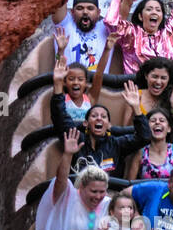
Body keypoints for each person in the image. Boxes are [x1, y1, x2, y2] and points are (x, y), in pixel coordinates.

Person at [49, 37, 151, 175]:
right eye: (94, 116)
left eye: (103, 117)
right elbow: (59, 115)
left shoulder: (116, 144)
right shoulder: (76, 138)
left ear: (109, 124)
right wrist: (58, 83)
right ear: (85, 123)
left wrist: (136, 108)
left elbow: (144, 137)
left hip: (109, 194)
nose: (99, 119)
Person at [36, 128, 112, 230]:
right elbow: (61, 179)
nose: (98, 196)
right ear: (81, 187)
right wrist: (68, 155)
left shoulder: (108, 204)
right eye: (94, 191)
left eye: (102, 191)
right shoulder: (68, 198)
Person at [52, 0, 113, 73]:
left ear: (98, 12)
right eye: (80, 8)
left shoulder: (107, 28)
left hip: (99, 83)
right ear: (72, 12)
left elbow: (126, 4)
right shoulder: (65, 25)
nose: (85, 12)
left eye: (90, 8)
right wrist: (60, 51)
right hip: (68, 81)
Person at [117, 57, 173, 129]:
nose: (158, 82)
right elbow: (126, 131)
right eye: (154, 77)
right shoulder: (135, 96)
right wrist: (135, 108)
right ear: (146, 76)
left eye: (163, 78)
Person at [52, 47, 104, 125]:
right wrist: (60, 50)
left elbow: (99, 73)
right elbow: (58, 71)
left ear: (86, 83)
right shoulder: (62, 98)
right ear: (65, 82)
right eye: (71, 79)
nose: (76, 82)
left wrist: (107, 49)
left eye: (80, 79)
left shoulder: (90, 99)